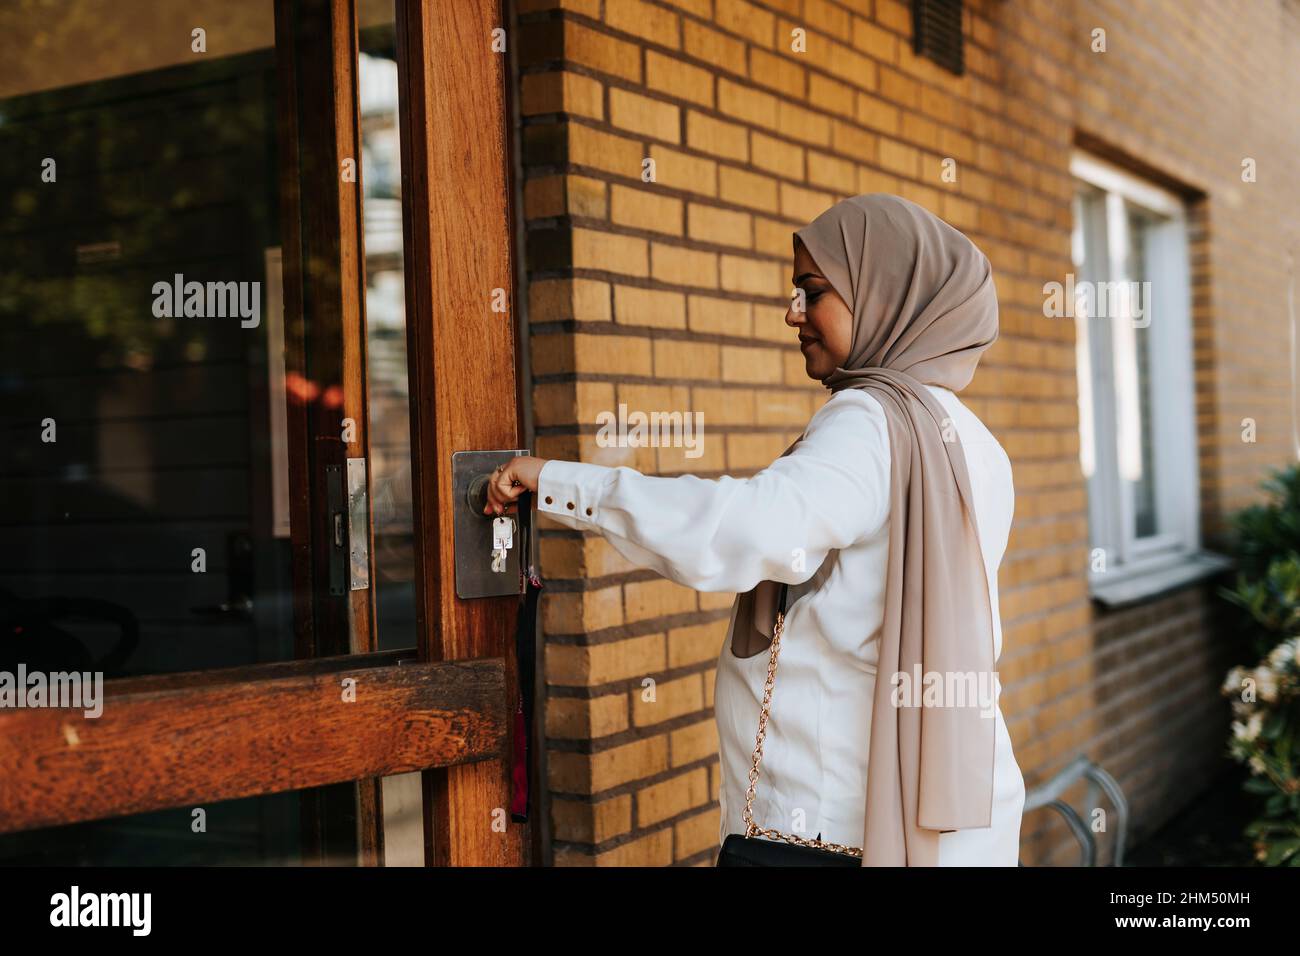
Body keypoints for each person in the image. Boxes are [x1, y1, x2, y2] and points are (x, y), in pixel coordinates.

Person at [486, 193, 1026, 866]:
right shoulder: (971, 441)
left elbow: (739, 529)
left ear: (887, 295)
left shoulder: (870, 422)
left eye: (812, 291)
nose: (792, 312)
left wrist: (558, 482)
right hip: (959, 817)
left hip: (827, 832)